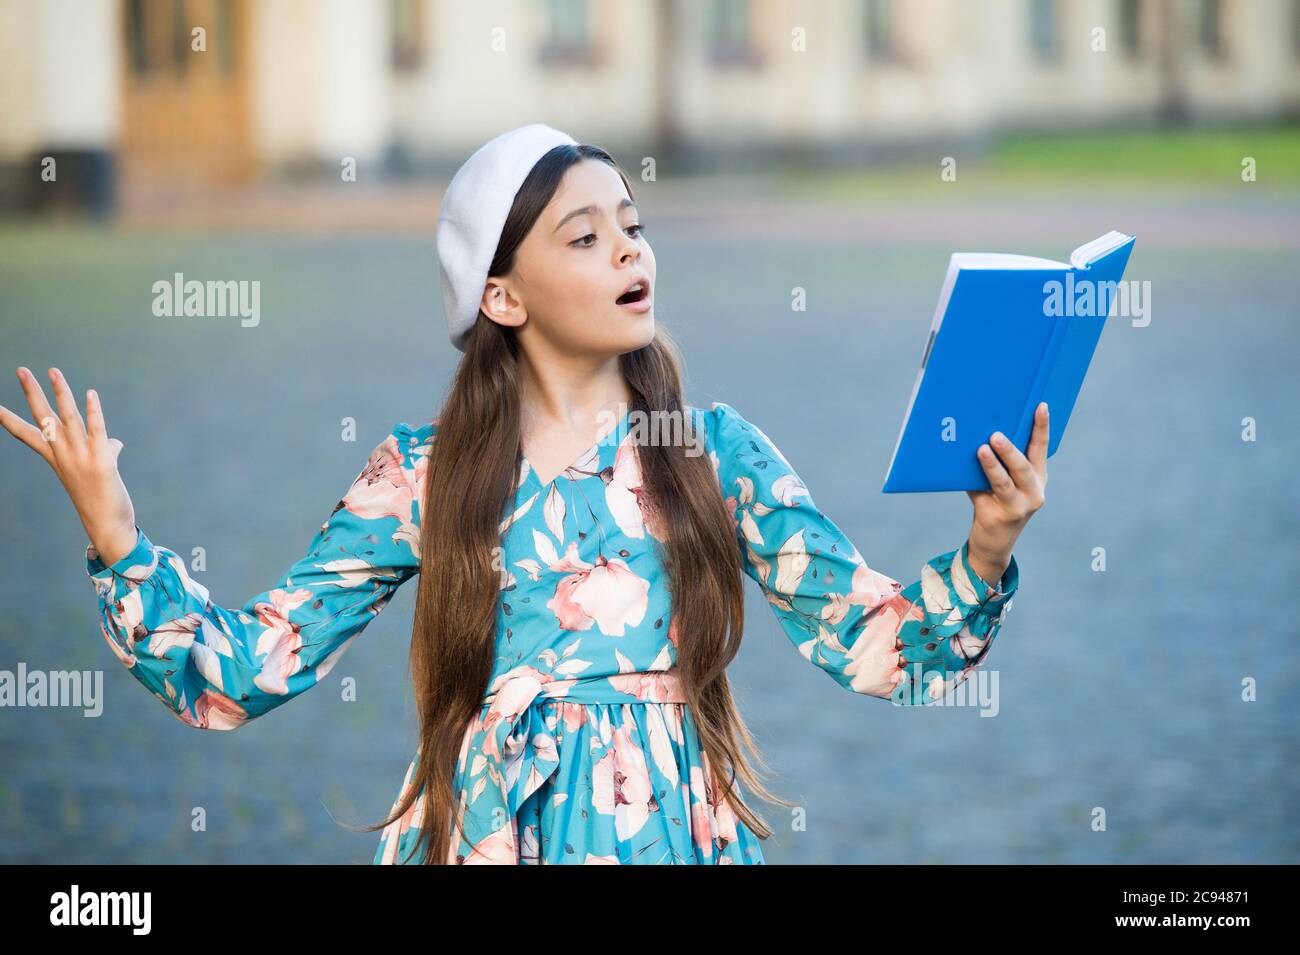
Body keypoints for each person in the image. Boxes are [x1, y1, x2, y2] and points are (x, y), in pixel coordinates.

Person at [0, 123, 1048, 865]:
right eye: (583, 237)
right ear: (501, 295)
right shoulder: (423, 472)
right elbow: (238, 672)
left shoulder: (714, 454)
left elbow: (879, 646)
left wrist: (988, 547)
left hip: (666, 840)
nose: (628, 248)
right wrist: (117, 534)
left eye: (631, 225)